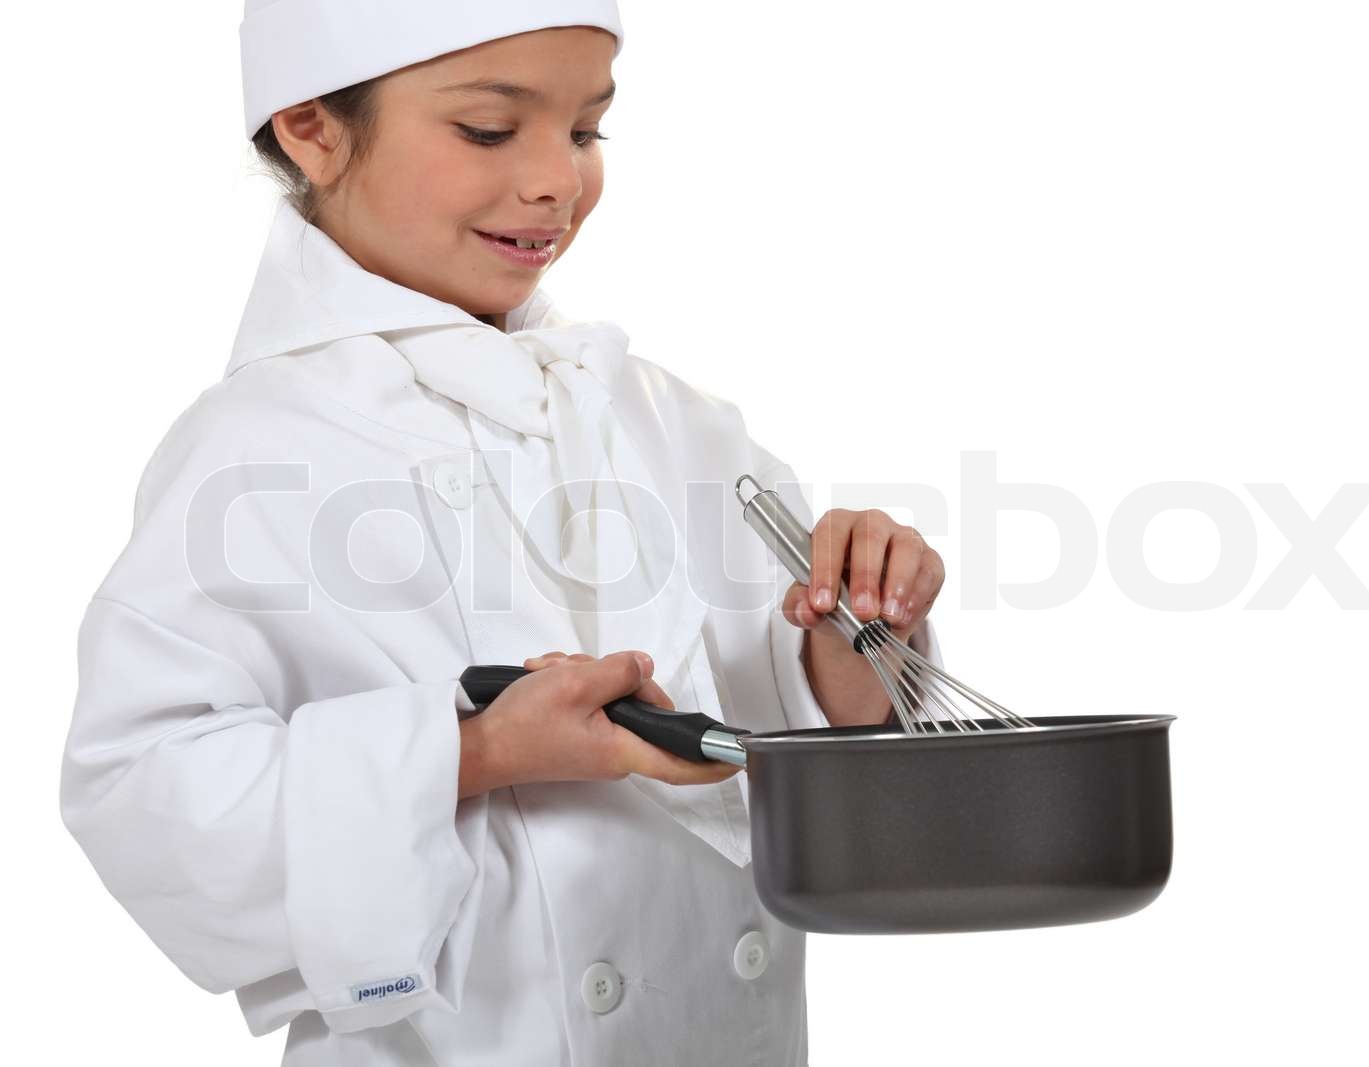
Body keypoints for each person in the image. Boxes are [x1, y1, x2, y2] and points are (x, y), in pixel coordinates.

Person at [58, 2, 948, 1064]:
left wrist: (852, 636)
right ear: (310, 127)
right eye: (489, 130)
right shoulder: (252, 449)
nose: (557, 182)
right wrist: (471, 752)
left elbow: (805, 737)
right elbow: (146, 792)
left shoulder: (669, 416)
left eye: (585, 131)